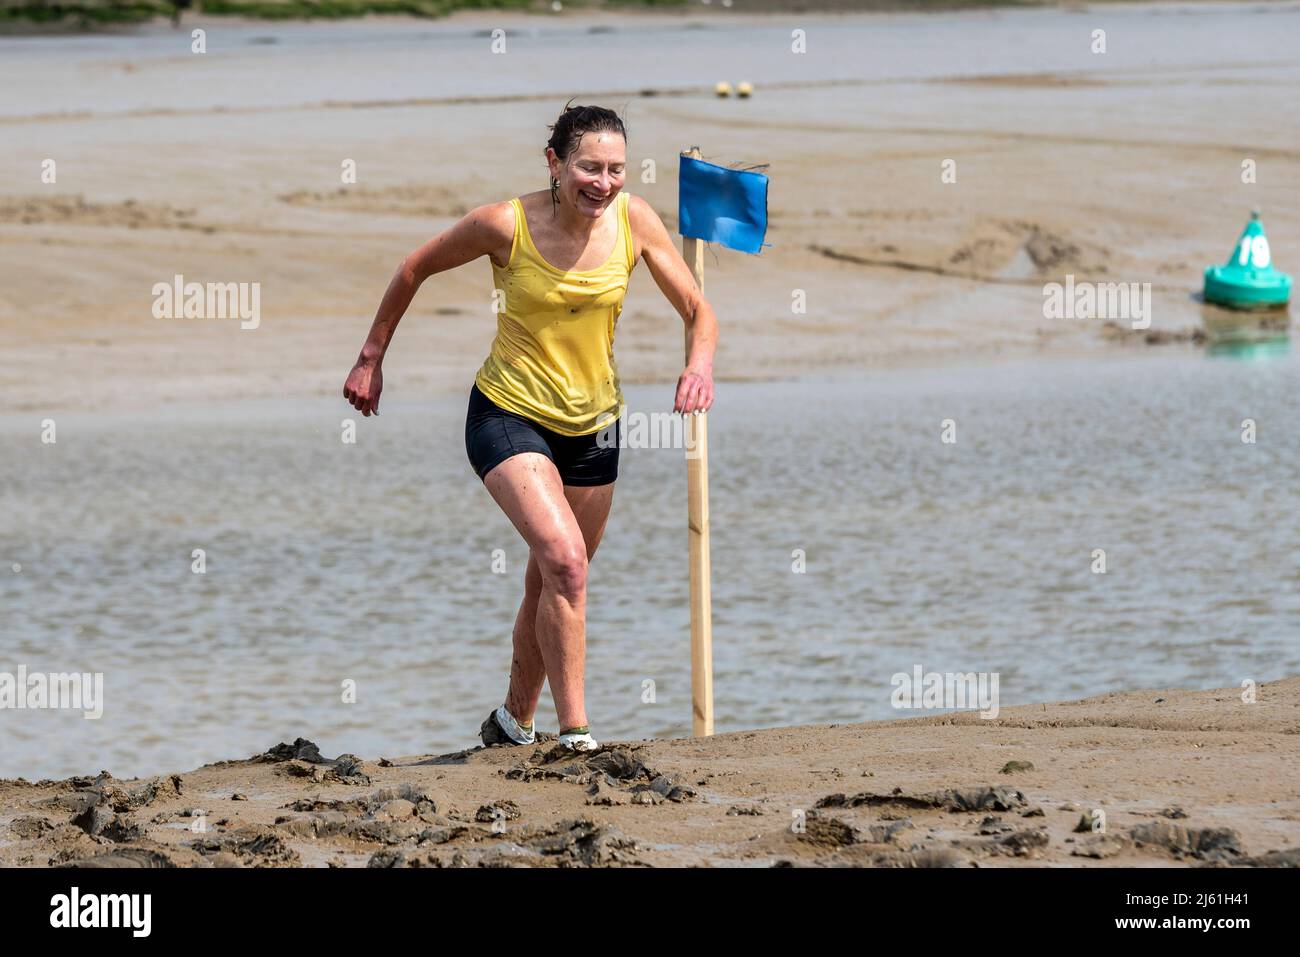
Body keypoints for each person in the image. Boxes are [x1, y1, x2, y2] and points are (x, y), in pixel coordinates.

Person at [343, 103, 718, 752]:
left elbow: (698, 310)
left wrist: (698, 365)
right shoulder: (504, 224)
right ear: (555, 163)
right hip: (509, 413)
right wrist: (372, 356)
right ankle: (577, 736)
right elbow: (414, 266)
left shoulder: (634, 220)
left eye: (616, 170)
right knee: (568, 566)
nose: (604, 183)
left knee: (551, 578)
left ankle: (514, 723)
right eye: (589, 168)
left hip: (596, 425)